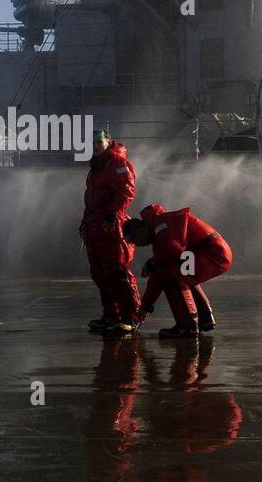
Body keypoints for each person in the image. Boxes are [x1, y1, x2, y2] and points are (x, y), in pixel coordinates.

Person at [124, 203, 232, 338]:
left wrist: (153, 263)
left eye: (134, 239)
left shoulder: (160, 227)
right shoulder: (160, 230)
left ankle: (187, 326)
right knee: (181, 273)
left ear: (140, 230)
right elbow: (160, 272)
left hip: (212, 253)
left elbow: (172, 251)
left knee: (172, 276)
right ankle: (205, 318)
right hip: (215, 251)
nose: (137, 245)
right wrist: (144, 307)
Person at [82, 128, 140, 335]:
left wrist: (113, 213)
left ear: (108, 142)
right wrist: (85, 222)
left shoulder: (117, 163)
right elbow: (90, 200)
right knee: (100, 274)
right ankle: (111, 315)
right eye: (94, 143)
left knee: (118, 272)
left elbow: (127, 190)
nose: (96, 146)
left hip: (112, 225)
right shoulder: (95, 169)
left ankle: (131, 317)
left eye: (100, 142)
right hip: (95, 227)